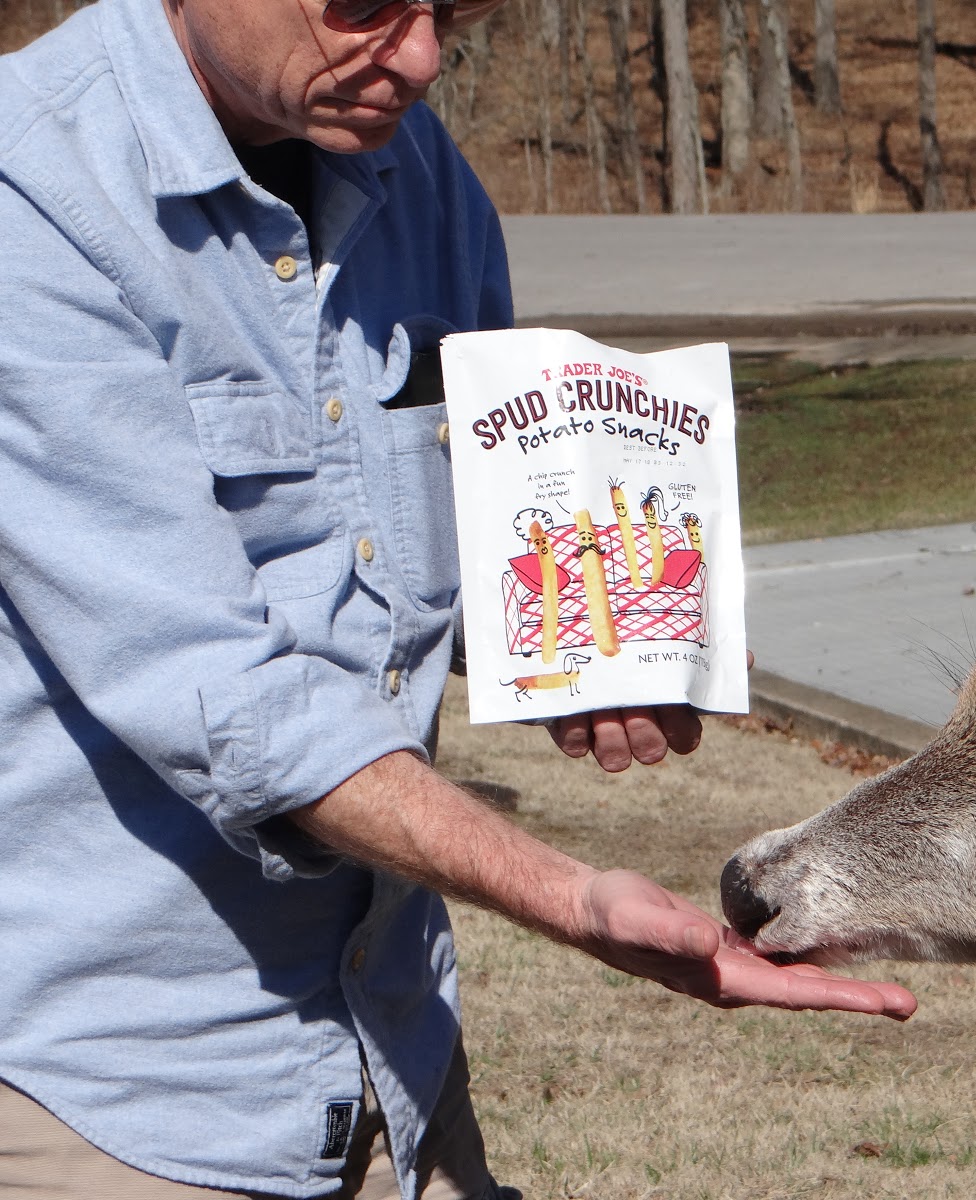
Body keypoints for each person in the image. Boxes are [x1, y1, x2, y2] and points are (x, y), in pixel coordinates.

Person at [0, 1, 916, 1197]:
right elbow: (221, 694)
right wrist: (569, 895)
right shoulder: (36, 195)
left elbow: (428, 546)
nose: (425, 59)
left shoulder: (410, 168)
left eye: (456, 10)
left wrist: (582, 645)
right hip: (125, 1106)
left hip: (396, 1064)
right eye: (369, 4)